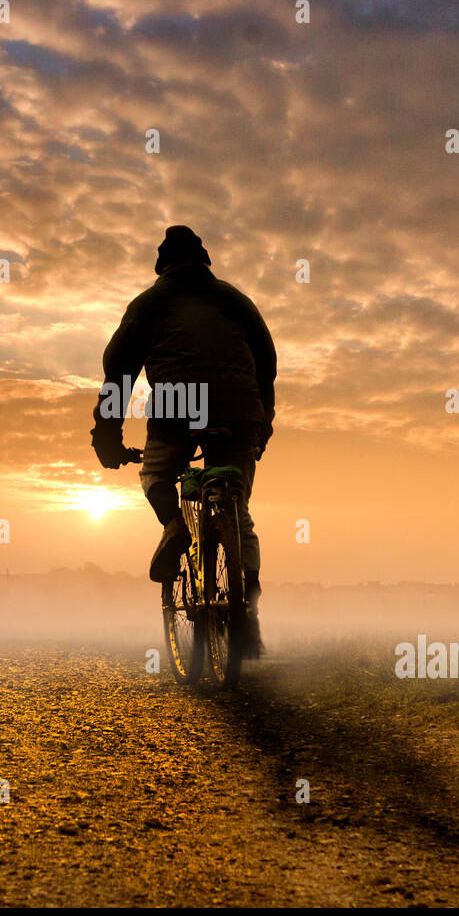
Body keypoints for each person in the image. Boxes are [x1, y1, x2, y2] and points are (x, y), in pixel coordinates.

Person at [90, 225, 277, 656]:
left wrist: (107, 437)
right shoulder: (235, 300)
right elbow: (266, 367)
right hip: (239, 407)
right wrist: (261, 424)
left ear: (161, 266)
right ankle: (245, 607)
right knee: (239, 508)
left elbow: (118, 375)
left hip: (177, 405)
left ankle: (174, 525)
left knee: (156, 470)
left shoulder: (148, 304)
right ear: (205, 261)